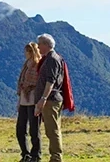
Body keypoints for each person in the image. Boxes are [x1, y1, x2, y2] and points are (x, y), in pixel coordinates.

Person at [31, 34, 67, 162]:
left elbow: (50, 81)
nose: (38, 47)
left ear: (46, 45)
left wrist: (43, 98)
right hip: (50, 99)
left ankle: (56, 158)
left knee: (52, 130)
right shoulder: (49, 58)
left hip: (51, 99)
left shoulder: (52, 59)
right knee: (51, 129)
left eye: (39, 44)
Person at [15, 41, 42, 161]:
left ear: (30, 52)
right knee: (20, 129)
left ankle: (35, 155)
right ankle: (25, 153)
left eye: (26, 51)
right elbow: (21, 82)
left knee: (34, 130)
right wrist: (19, 99)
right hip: (24, 100)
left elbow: (39, 83)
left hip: (33, 100)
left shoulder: (38, 65)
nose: (24, 53)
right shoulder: (26, 64)